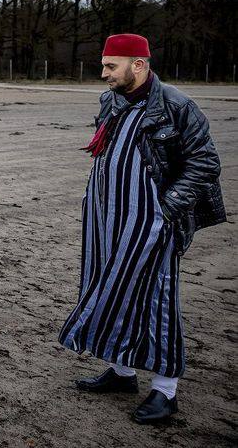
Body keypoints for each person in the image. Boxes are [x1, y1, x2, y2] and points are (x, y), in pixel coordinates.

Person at [59, 33, 225, 423]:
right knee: (111, 286)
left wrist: (166, 209)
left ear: (139, 65)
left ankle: (165, 393)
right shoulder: (111, 100)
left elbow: (205, 164)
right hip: (107, 217)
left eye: (110, 66)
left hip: (152, 221)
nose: (103, 73)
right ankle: (122, 372)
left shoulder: (177, 105)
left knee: (156, 298)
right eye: (103, 65)